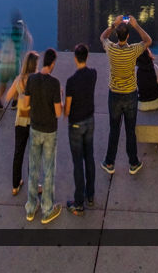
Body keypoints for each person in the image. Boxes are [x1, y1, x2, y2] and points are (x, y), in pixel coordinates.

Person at [99, 14, 152, 176]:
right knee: (130, 130)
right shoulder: (133, 50)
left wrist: (113, 25)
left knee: (114, 129)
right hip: (130, 94)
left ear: (117, 35)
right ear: (128, 36)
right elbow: (148, 41)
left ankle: (109, 162)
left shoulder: (110, 49)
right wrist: (136, 25)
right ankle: (133, 163)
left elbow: (102, 37)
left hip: (114, 94)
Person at [21, 47, 62, 225]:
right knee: (48, 171)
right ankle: (47, 210)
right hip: (50, 131)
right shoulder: (54, 83)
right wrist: (58, 96)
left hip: (35, 128)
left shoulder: (32, 79)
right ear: (52, 64)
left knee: (33, 169)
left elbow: (25, 104)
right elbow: (58, 113)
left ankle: (31, 208)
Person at [65, 42, 97, 215]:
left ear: (75, 58)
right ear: (87, 57)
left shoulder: (71, 81)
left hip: (76, 124)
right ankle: (90, 195)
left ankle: (78, 203)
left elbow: (67, 109)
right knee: (89, 158)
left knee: (78, 162)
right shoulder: (93, 74)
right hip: (90, 121)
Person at [6, 50, 38, 196]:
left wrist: (19, 97)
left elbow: (8, 96)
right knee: (33, 155)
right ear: (34, 65)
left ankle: (15, 184)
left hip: (20, 121)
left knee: (18, 153)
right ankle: (33, 185)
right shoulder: (37, 80)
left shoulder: (19, 80)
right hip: (34, 121)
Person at [0, 12, 33, 108]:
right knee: (16, 83)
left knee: (3, 83)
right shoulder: (21, 33)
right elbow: (29, 40)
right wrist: (24, 26)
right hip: (14, 63)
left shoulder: (5, 31)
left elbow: (1, 40)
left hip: (3, 63)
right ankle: (14, 101)